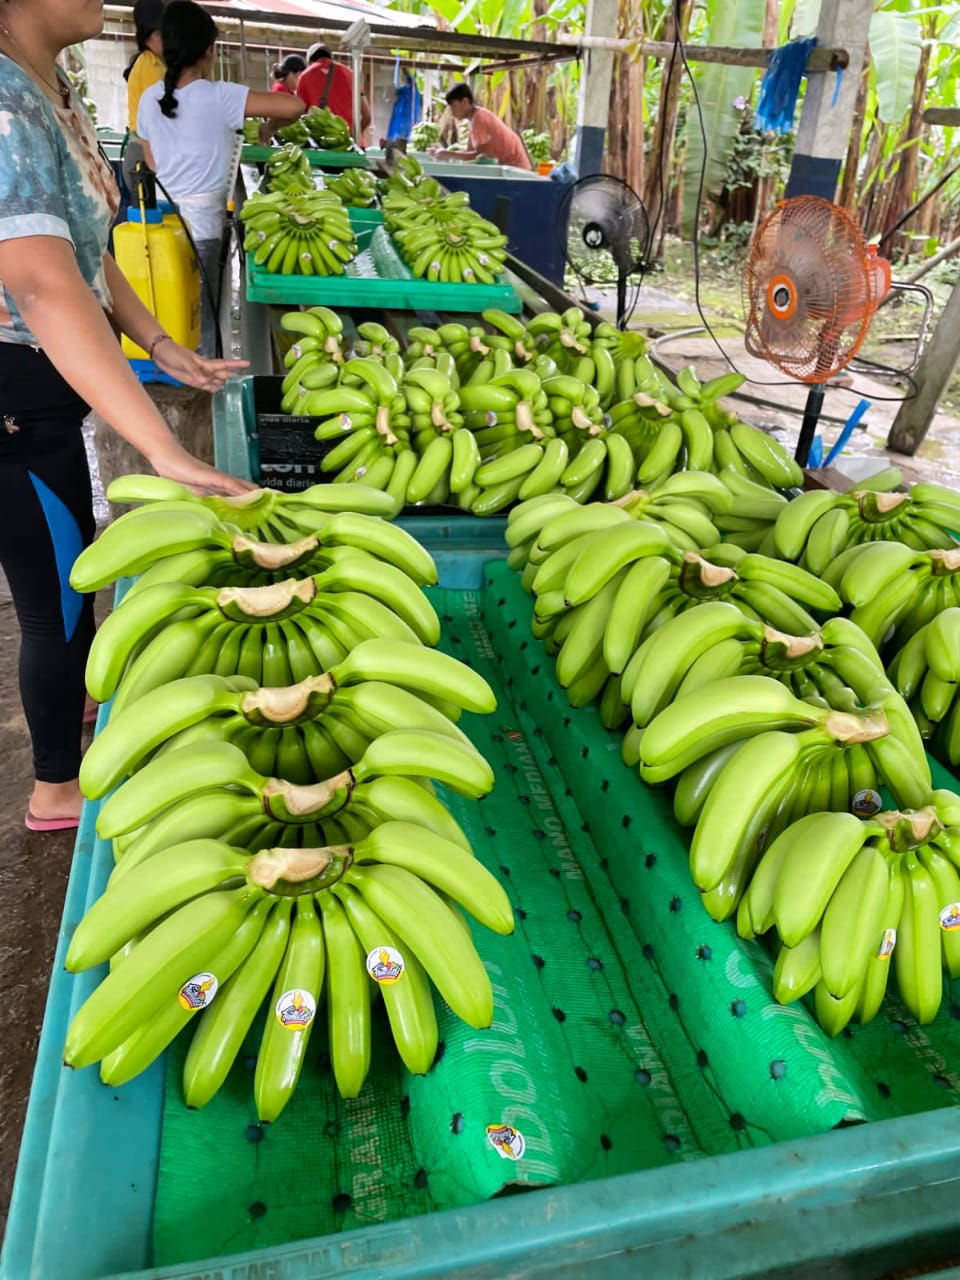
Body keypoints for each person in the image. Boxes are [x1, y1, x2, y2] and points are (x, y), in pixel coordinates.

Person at [0, 0, 254, 832]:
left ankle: (72, 697)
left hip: (45, 396)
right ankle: (54, 790)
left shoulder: (52, 85)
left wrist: (159, 343)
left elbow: (87, 252)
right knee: (57, 598)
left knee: (74, 574)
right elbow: (42, 283)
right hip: (13, 399)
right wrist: (162, 448)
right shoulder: (4, 101)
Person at [137, 0, 304, 356]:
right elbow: (295, 107)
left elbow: (150, 161)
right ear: (209, 50)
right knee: (205, 317)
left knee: (170, 307)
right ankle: (204, 375)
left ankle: (168, 367)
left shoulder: (148, 99)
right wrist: (269, 128)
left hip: (162, 226)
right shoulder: (220, 96)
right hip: (204, 230)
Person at [121, 0, 166, 197]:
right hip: (146, 158)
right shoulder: (151, 67)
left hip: (147, 154)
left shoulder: (154, 63)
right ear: (151, 35)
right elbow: (158, 120)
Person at [431, 83, 531, 170]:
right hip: (508, 167)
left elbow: (479, 156)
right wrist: (444, 153)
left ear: (465, 102)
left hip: (516, 168)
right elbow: (470, 151)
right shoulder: (474, 118)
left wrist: (448, 154)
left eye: (454, 106)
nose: (452, 112)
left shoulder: (479, 118)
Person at [296, 42, 370, 137]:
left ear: (310, 61)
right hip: (351, 141)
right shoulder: (350, 74)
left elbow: (299, 117)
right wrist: (354, 136)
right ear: (331, 58)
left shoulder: (304, 77)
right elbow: (367, 116)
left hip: (323, 142)